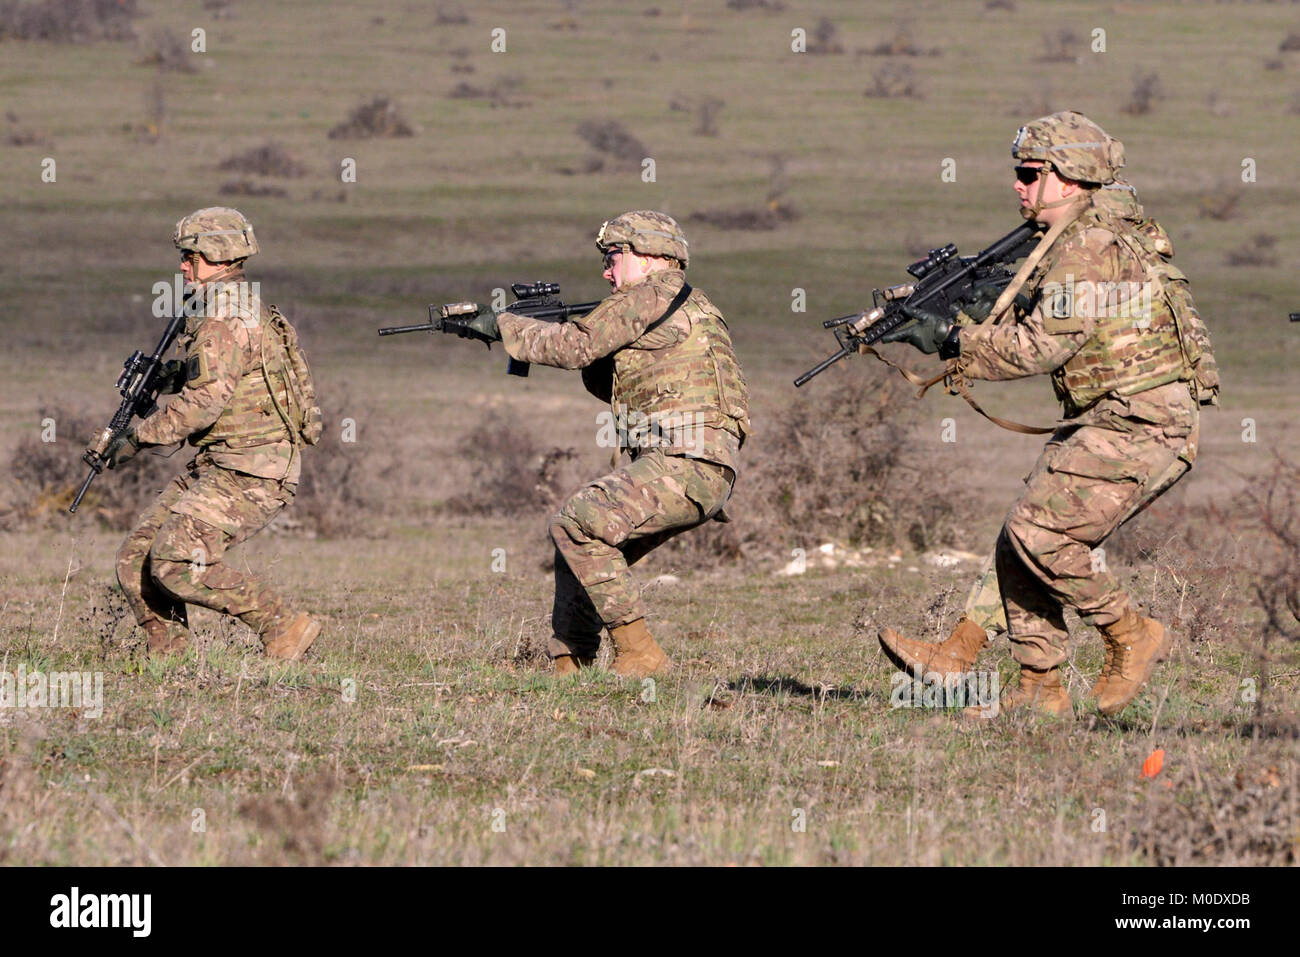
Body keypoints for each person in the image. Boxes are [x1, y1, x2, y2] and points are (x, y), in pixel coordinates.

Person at [876, 112, 1218, 717]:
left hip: (1142, 421)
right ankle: (1035, 687)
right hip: (1113, 417)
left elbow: (1041, 347)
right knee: (1020, 540)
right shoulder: (1074, 238)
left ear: (1069, 179)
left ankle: (1130, 633)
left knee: (1040, 532)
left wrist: (955, 341)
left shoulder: (1089, 245)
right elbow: (1038, 322)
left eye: (1030, 173)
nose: (1018, 185)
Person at [456, 211, 750, 677]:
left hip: (684, 462)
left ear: (652, 257)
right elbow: (610, 378)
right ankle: (571, 661)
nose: (607, 271)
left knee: (578, 524)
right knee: (581, 547)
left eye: (614, 257)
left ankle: (642, 656)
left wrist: (502, 327)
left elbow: (574, 347)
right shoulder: (688, 305)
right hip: (701, 469)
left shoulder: (651, 294)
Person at [98, 207, 324, 659]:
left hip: (253, 468)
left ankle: (283, 625)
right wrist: (170, 377)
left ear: (218, 256)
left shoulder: (223, 318)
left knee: (175, 563)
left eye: (190, 255)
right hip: (221, 463)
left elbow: (203, 405)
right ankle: (170, 658)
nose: (182, 265)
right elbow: (216, 379)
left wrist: (137, 438)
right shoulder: (224, 307)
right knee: (135, 562)